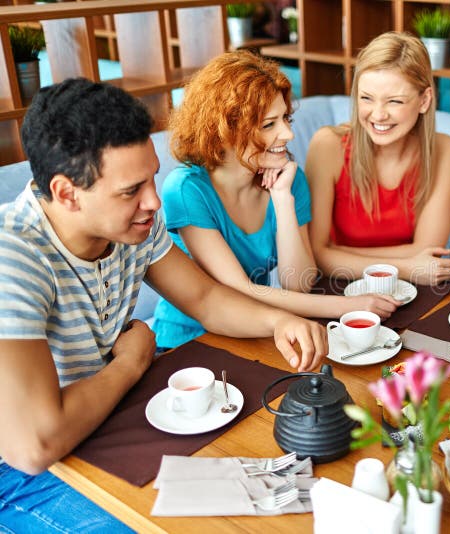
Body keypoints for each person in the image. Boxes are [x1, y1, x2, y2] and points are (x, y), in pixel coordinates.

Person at [0, 78, 326, 531]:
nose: (153, 200)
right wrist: (130, 364)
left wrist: (281, 320)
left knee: (281, 487)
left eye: (152, 176)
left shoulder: (134, 223)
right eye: (131, 189)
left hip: (109, 424)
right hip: (21, 477)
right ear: (66, 192)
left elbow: (206, 298)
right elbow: (32, 447)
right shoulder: (12, 254)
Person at [152, 51, 399, 350]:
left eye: (285, 118)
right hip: (188, 342)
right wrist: (346, 305)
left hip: (257, 333)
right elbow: (237, 290)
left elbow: (300, 281)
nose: (289, 134)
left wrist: (282, 200)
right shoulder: (187, 189)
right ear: (226, 130)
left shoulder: (290, 180)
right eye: (269, 124)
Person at [305, 32, 450, 286]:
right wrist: (406, 266)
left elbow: (428, 248)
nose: (378, 115)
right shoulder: (328, 146)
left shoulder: (445, 150)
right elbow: (317, 254)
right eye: (366, 98)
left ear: (424, 100)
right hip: (339, 286)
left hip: (411, 289)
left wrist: (340, 255)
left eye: (394, 101)